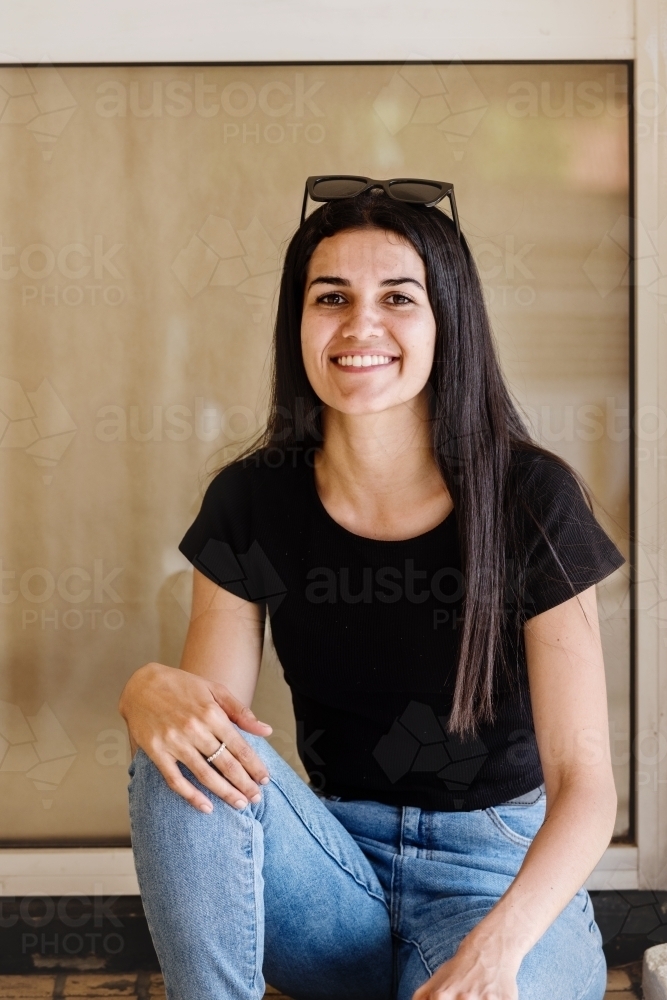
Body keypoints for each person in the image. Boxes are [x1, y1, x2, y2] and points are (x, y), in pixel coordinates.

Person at [119, 178, 626, 1000]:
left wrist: (497, 952)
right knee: (177, 747)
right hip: (329, 875)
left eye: (398, 297)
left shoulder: (531, 498)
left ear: (445, 323)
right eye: (331, 298)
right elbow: (211, 740)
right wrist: (147, 688)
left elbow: (584, 784)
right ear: (298, 323)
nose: (360, 326)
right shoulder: (252, 499)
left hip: (495, 879)